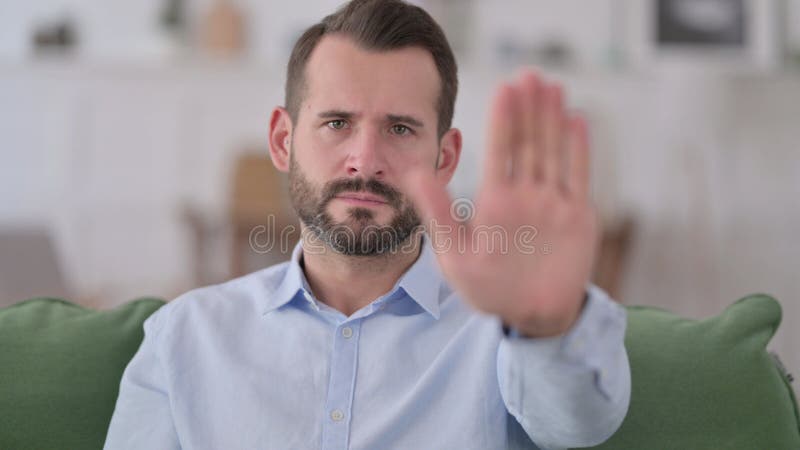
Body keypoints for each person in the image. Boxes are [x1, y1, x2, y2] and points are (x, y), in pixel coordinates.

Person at [104, 0, 630, 448]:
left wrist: (545, 327)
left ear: (445, 159)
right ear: (283, 141)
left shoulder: (501, 333)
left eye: (400, 129)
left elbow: (579, 424)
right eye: (337, 123)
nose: (364, 159)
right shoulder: (182, 340)